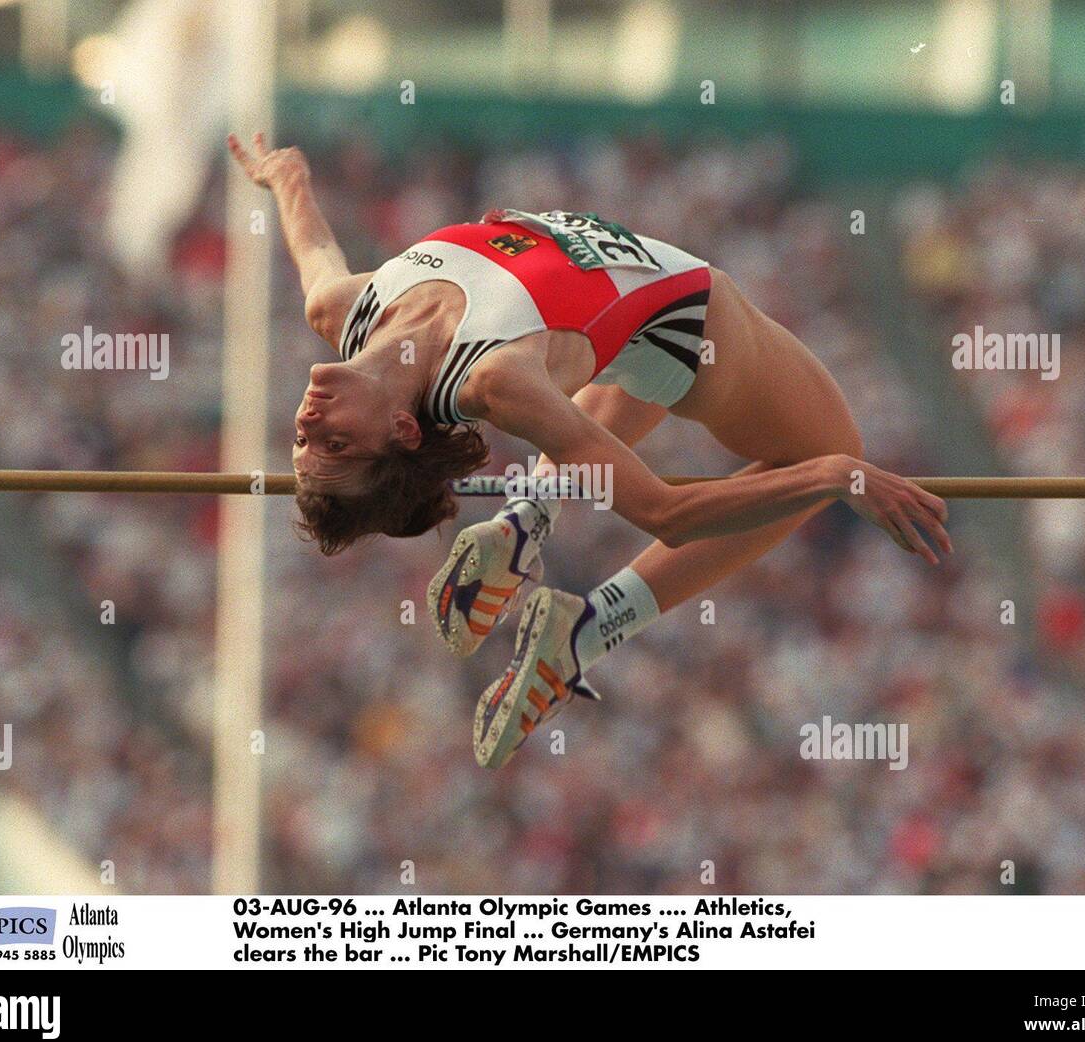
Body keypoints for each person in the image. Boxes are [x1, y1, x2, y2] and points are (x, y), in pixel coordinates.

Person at [229, 133, 951, 768]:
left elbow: (314, 250)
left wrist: (287, 176)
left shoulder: (342, 310)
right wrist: (835, 474)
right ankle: (591, 624)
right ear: (401, 429)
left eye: (302, 436)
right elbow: (666, 511)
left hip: (632, 327)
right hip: (696, 332)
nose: (310, 415)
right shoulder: (496, 376)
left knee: (604, 360)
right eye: (334, 441)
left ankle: (525, 522)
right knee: (826, 451)